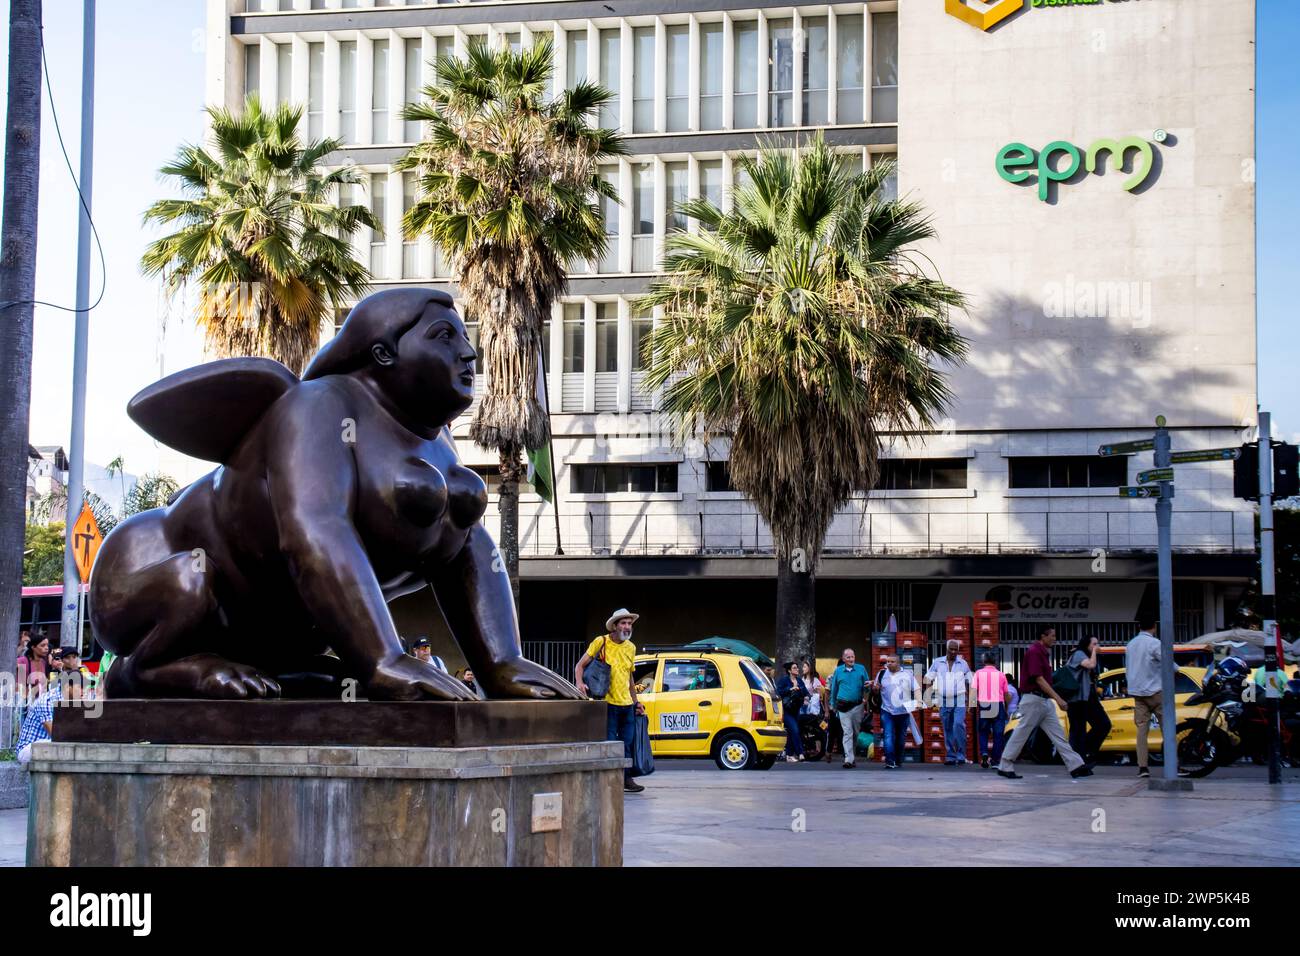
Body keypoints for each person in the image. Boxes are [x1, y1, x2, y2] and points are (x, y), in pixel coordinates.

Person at [998, 626, 1091, 779]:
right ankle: (1005, 764)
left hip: (1043, 701)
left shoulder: (1042, 653)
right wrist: (1059, 699)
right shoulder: (1035, 652)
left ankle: (1076, 765)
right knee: (1021, 733)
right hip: (1034, 700)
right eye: (1052, 635)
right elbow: (1039, 679)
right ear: (1043, 636)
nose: (1055, 638)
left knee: (1058, 735)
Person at [575, 608, 646, 793]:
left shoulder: (631, 647)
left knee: (627, 743)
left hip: (627, 705)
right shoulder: (602, 642)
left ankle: (626, 779)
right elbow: (580, 666)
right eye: (623, 623)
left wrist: (636, 701)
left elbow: (629, 677)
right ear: (614, 626)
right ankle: (608, 781)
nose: (627, 627)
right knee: (608, 744)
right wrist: (579, 683)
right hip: (607, 703)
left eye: (630, 624)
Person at [1124, 617, 1163, 778]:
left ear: (1139, 626)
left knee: (1142, 731)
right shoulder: (1155, 643)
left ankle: (1143, 767)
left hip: (1138, 694)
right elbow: (1167, 662)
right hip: (1156, 692)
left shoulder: (1131, 644)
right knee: (1167, 729)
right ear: (1154, 626)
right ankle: (1174, 764)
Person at [1065, 635, 1111, 765]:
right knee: (1078, 730)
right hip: (1077, 698)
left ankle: (1088, 752)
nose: (1096, 646)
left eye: (1098, 644)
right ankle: (1078, 761)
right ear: (1086, 645)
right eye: (1094, 644)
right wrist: (1095, 653)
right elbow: (1090, 665)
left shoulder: (1087, 655)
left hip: (1089, 697)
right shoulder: (1079, 654)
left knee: (1103, 724)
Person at [925, 639, 973, 765]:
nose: (953, 651)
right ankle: (951, 756)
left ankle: (961, 755)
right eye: (950, 649)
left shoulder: (963, 664)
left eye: (955, 649)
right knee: (947, 728)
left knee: (958, 724)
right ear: (946, 649)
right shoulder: (937, 662)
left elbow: (970, 683)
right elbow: (928, 679)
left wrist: (972, 702)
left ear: (958, 650)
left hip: (960, 698)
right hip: (944, 699)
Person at [16, 673, 82, 764]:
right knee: (66, 748)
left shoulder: (71, 701)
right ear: (67, 687)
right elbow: (55, 735)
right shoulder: (48, 701)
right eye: (79, 687)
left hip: (49, 744)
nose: (82, 692)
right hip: (27, 749)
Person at [874, 655, 919, 769]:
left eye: (892, 662)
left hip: (903, 712)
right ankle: (889, 761)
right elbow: (876, 689)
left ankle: (898, 760)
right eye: (887, 661)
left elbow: (917, 688)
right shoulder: (882, 674)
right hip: (887, 711)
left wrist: (918, 701)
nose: (889, 663)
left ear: (898, 663)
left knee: (901, 738)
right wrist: (875, 689)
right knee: (888, 735)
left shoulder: (907, 674)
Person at [827, 648, 870, 768]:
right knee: (847, 732)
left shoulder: (861, 669)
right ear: (844, 659)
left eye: (853, 657)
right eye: (848, 657)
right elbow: (834, 688)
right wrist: (832, 704)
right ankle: (848, 759)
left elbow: (867, 687)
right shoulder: (838, 671)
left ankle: (852, 755)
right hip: (842, 706)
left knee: (855, 733)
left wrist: (867, 687)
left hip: (857, 706)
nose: (851, 659)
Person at [972, 653, 1011, 769]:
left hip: (984, 705)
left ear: (984, 661)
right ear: (995, 662)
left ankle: (984, 752)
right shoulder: (1001, 675)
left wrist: (971, 707)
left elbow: (973, 691)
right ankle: (995, 760)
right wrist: (1006, 709)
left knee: (983, 731)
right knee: (998, 734)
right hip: (997, 705)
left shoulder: (978, 674)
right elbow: (1007, 695)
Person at [775, 661, 808, 762]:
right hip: (786, 710)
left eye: (797, 668)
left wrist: (804, 695)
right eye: (794, 668)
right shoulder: (784, 680)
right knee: (795, 730)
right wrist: (790, 689)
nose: (797, 669)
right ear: (789, 670)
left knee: (791, 732)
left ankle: (789, 755)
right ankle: (800, 753)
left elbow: (805, 692)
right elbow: (778, 692)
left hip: (796, 710)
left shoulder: (799, 680)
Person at [800, 662, 827, 759]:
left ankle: (817, 748)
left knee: (815, 728)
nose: (803, 668)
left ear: (809, 668)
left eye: (804, 666)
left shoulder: (815, 680)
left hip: (812, 708)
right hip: (803, 708)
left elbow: (821, 693)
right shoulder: (801, 680)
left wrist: (818, 692)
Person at [16, 632, 51, 698]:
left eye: (47, 645)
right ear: (33, 647)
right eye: (42, 645)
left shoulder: (44, 662)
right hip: (24, 703)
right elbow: (20, 690)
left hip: (38, 702)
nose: (47, 648)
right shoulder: (22, 661)